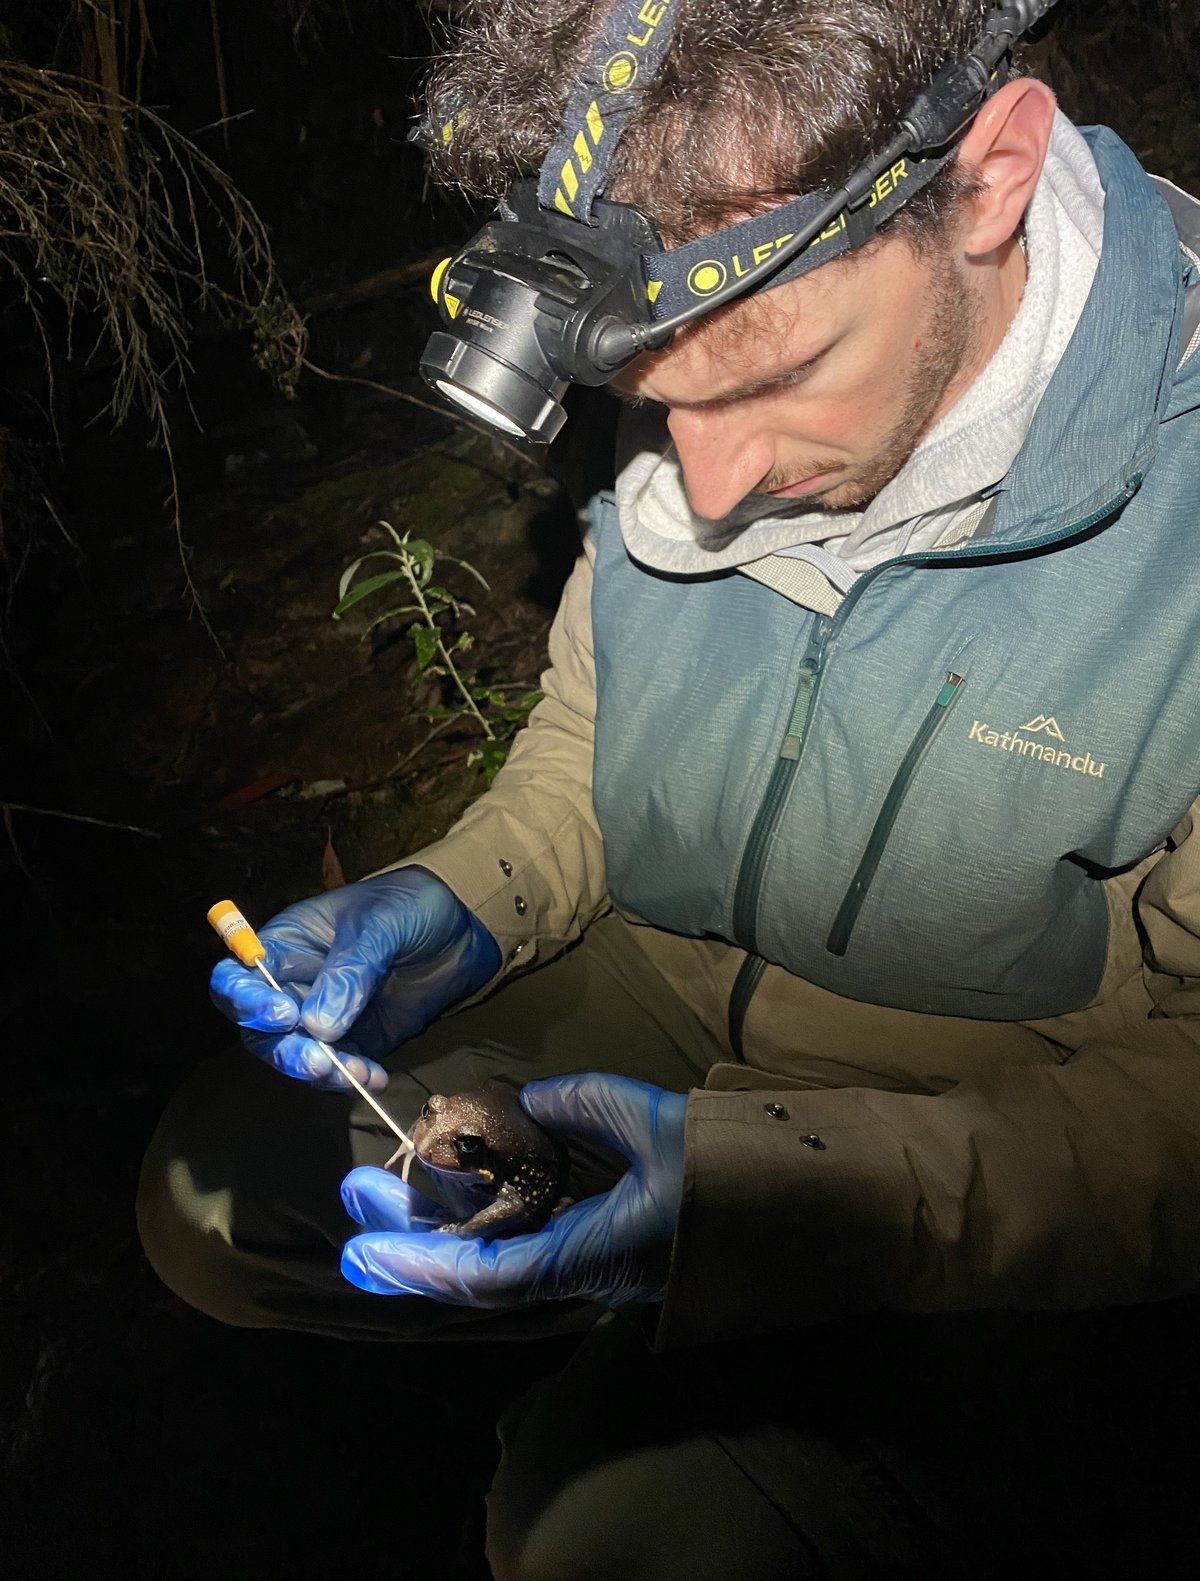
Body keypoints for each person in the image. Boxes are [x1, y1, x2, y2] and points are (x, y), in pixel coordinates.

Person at [138, 1, 1200, 1575]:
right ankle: (612, 1347)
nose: (702, 490)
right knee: (217, 1200)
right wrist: (456, 905)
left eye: (782, 377)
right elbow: (589, 739)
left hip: (996, 1120)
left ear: (990, 179)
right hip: (662, 977)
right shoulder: (702, 358)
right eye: (650, 399)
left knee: (619, 1537)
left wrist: (754, 1199)